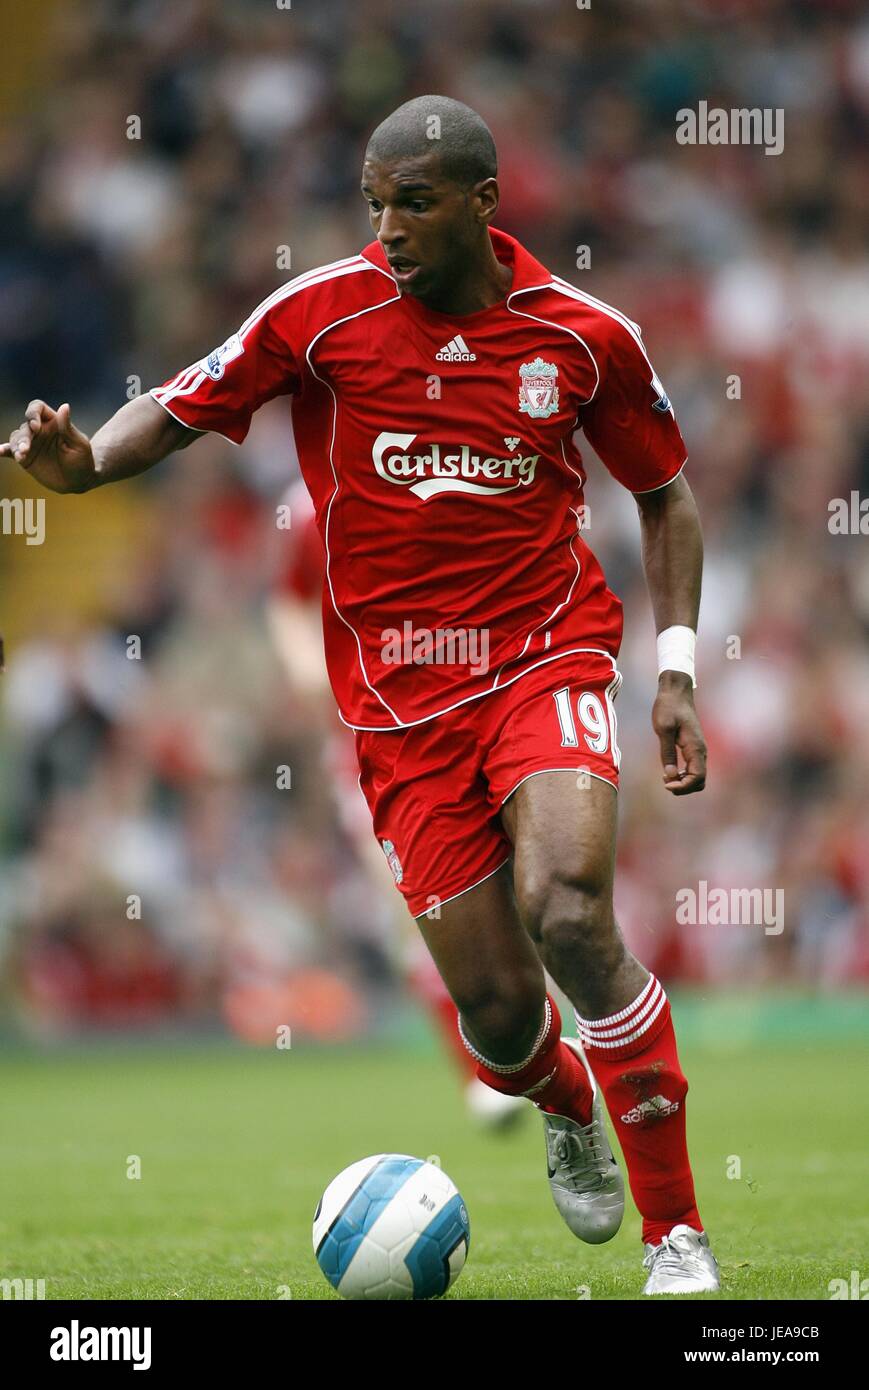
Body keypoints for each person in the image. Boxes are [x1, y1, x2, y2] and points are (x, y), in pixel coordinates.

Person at [2, 95, 719, 1294]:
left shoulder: (584, 337)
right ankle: (561, 1096)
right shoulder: (317, 315)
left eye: (415, 202)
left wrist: (679, 669)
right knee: (494, 1016)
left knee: (570, 910)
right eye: (374, 202)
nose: (386, 227)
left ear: (484, 205)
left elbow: (667, 494)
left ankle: (676, 1234)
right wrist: (86, 469)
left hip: (545, 657)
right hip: (397, 713)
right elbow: (178, 405)